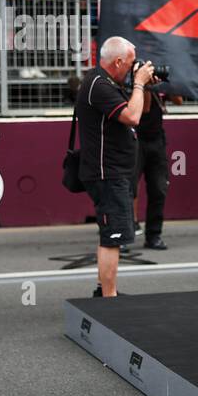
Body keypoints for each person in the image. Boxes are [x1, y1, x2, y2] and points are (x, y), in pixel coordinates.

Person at [75, 37, 152, 298]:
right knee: (113, 237)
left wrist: (143, 87)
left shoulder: (105, 82)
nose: (132, 70)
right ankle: (109, 300)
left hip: (112, 171)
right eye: (130, 64)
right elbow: (132, 116)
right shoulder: (99, 85)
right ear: (118, 61)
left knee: (111, 232)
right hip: (107, 174)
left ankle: (105, 290)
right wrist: (139, 83)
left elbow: (139, 111)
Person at [131, 77, 174, 251]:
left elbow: (178, 100)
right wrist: (144, 83)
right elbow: (146, 108)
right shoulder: (132, 82)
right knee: (128, 188)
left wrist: (169, 83)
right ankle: (125, 234)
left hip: (156, 139)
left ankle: (154, 235)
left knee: (159, 188)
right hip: (135, 139)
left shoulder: (159, 82)